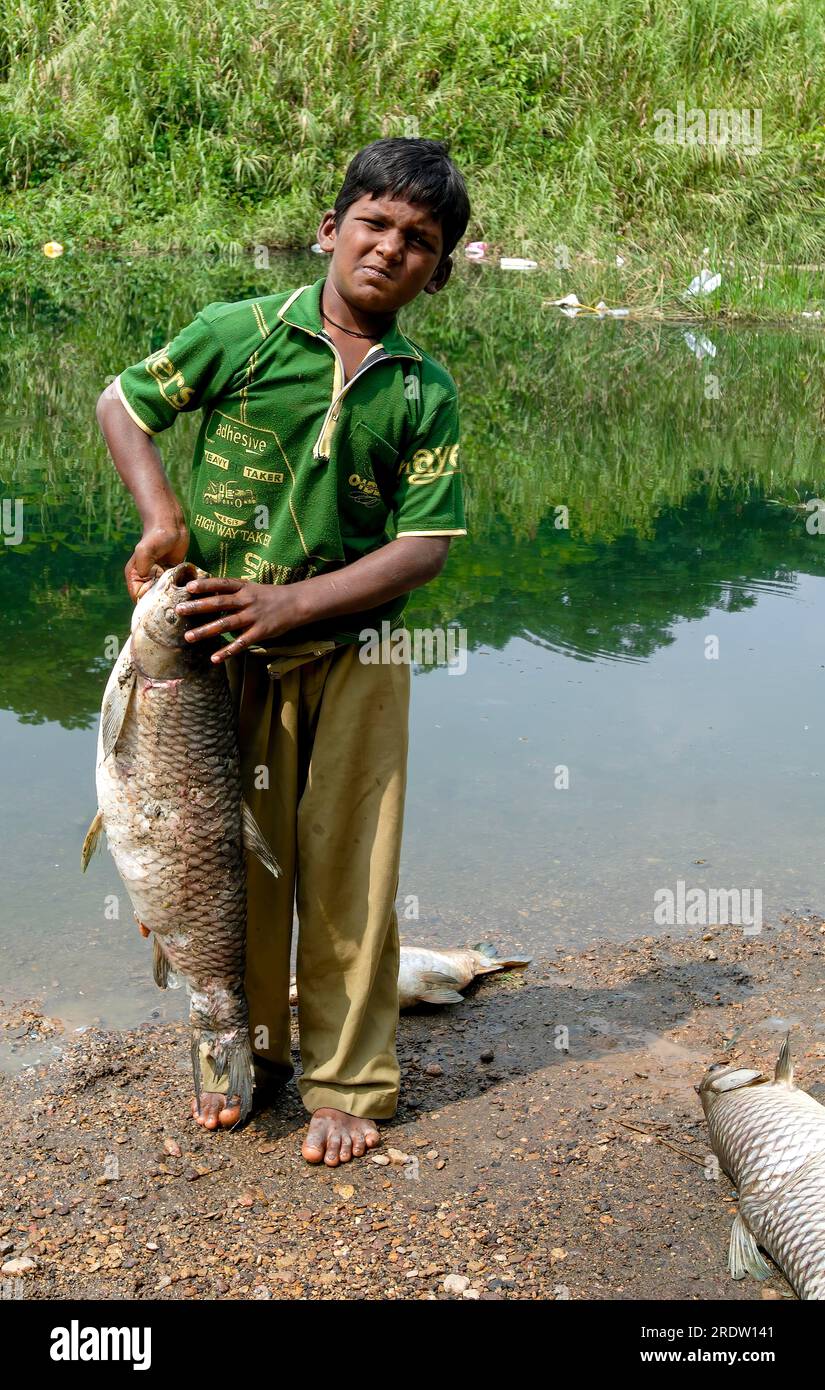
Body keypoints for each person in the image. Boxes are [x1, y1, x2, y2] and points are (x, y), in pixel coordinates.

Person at [96, 137, 470, 1166]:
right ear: (330, 229)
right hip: (214, 658)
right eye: (376, 224)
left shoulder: (420, 392)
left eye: (420, 242)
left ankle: (347, 1082)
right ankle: (236, 1058)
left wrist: (294, 598)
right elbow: (121, 404)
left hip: (352, 658)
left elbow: (423, 547)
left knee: (350, 870)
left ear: (437, 271)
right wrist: (162, 515)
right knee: (219, 863)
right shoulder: (243, 333)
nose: (392, 250)